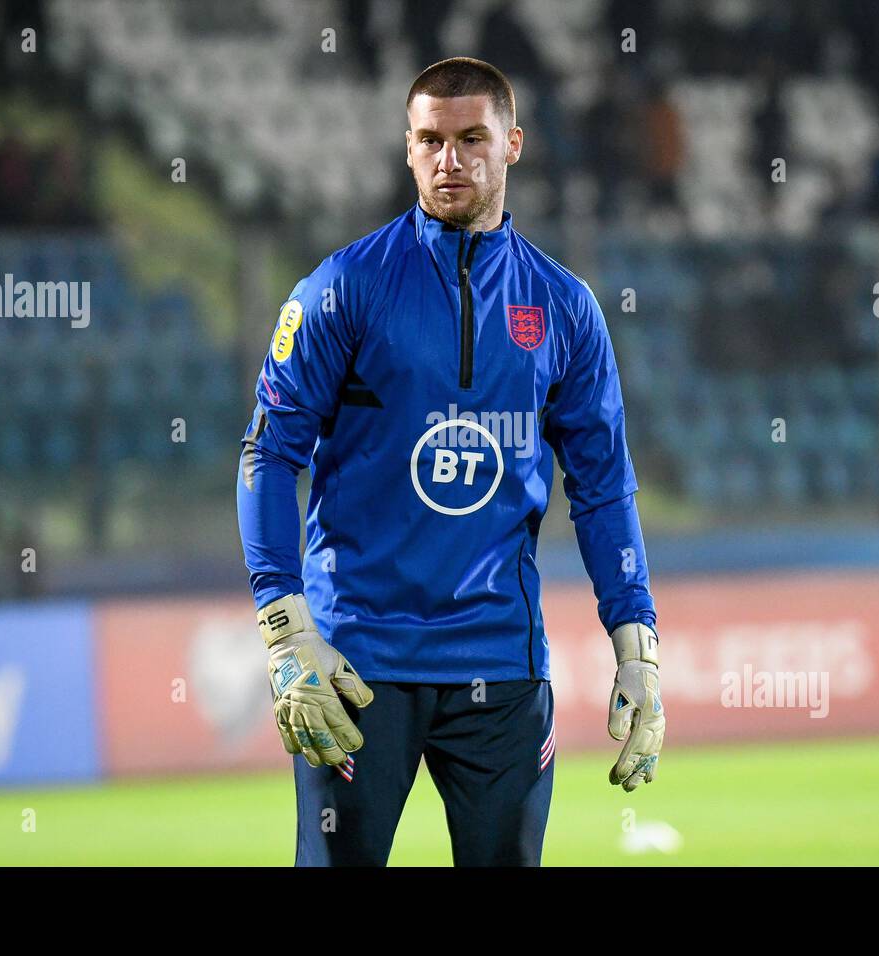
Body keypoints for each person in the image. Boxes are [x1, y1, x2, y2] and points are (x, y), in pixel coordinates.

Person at [236, 57, 663, 867]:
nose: (450, 160)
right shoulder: (340, 290)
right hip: (357, 663)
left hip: (500, 664)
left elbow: (604, 491)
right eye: (430, 140)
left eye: (472, 139)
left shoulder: (566, 308)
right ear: (407, 149)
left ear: (514, 145)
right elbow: (267, 454)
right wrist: (287, 631)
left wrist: (636, 645)